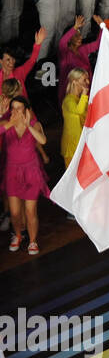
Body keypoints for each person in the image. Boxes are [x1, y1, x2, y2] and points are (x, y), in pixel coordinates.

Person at [3, 97, 49, 256]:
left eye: (19, 108)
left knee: (30, 211)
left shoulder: (35, 125)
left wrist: (28, 126)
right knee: (15, 213)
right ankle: (17, 235)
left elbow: (42, 140)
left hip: (31, 173)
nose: (15, 111)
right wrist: (10, 122)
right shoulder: (5, 125)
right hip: (12, 173)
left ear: (26, 110)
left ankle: (32, 241)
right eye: (13, 108)